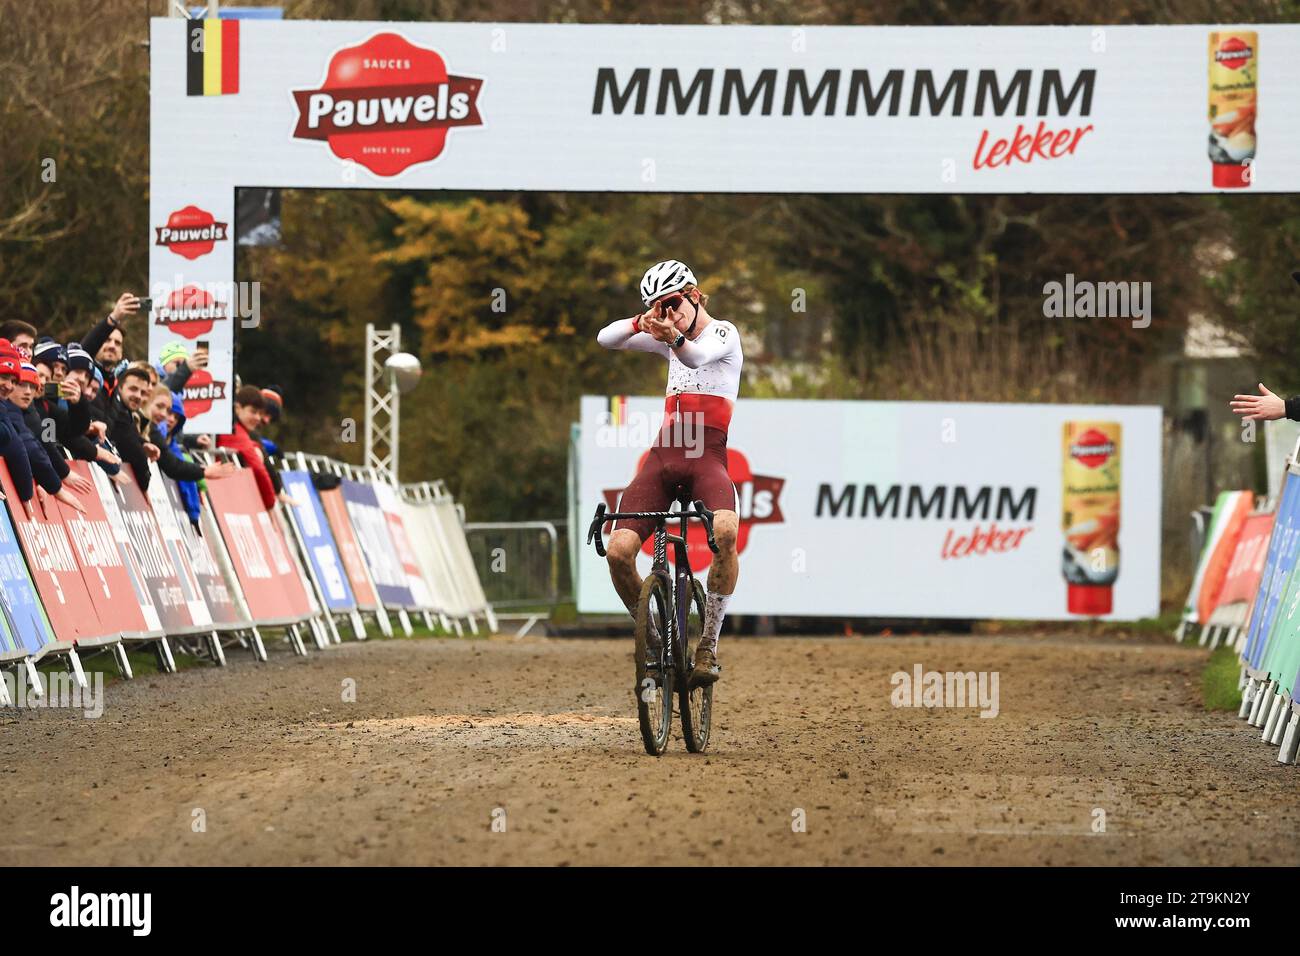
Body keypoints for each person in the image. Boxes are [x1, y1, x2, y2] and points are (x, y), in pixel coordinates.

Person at [595, 259, 743, 684]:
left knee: (727, 534)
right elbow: (606, 339)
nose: (669, 313)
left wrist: (670, 334)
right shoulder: (666, 335)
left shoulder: (722, 333)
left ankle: (708, 646)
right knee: (618, 552)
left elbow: (695, 358)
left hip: (707, 459)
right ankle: (654, 638)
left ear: (695, 295)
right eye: (661, 306)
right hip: (663, 458)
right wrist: (644, 321)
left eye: (674, 302)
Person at [217, 385, 277, 510]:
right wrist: (270, 503)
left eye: (260, 413)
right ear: (238, 408)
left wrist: (255, 446)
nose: (258, 418)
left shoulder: (236, 429)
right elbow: (258, 468)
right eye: (253, 412)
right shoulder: (234, 432)